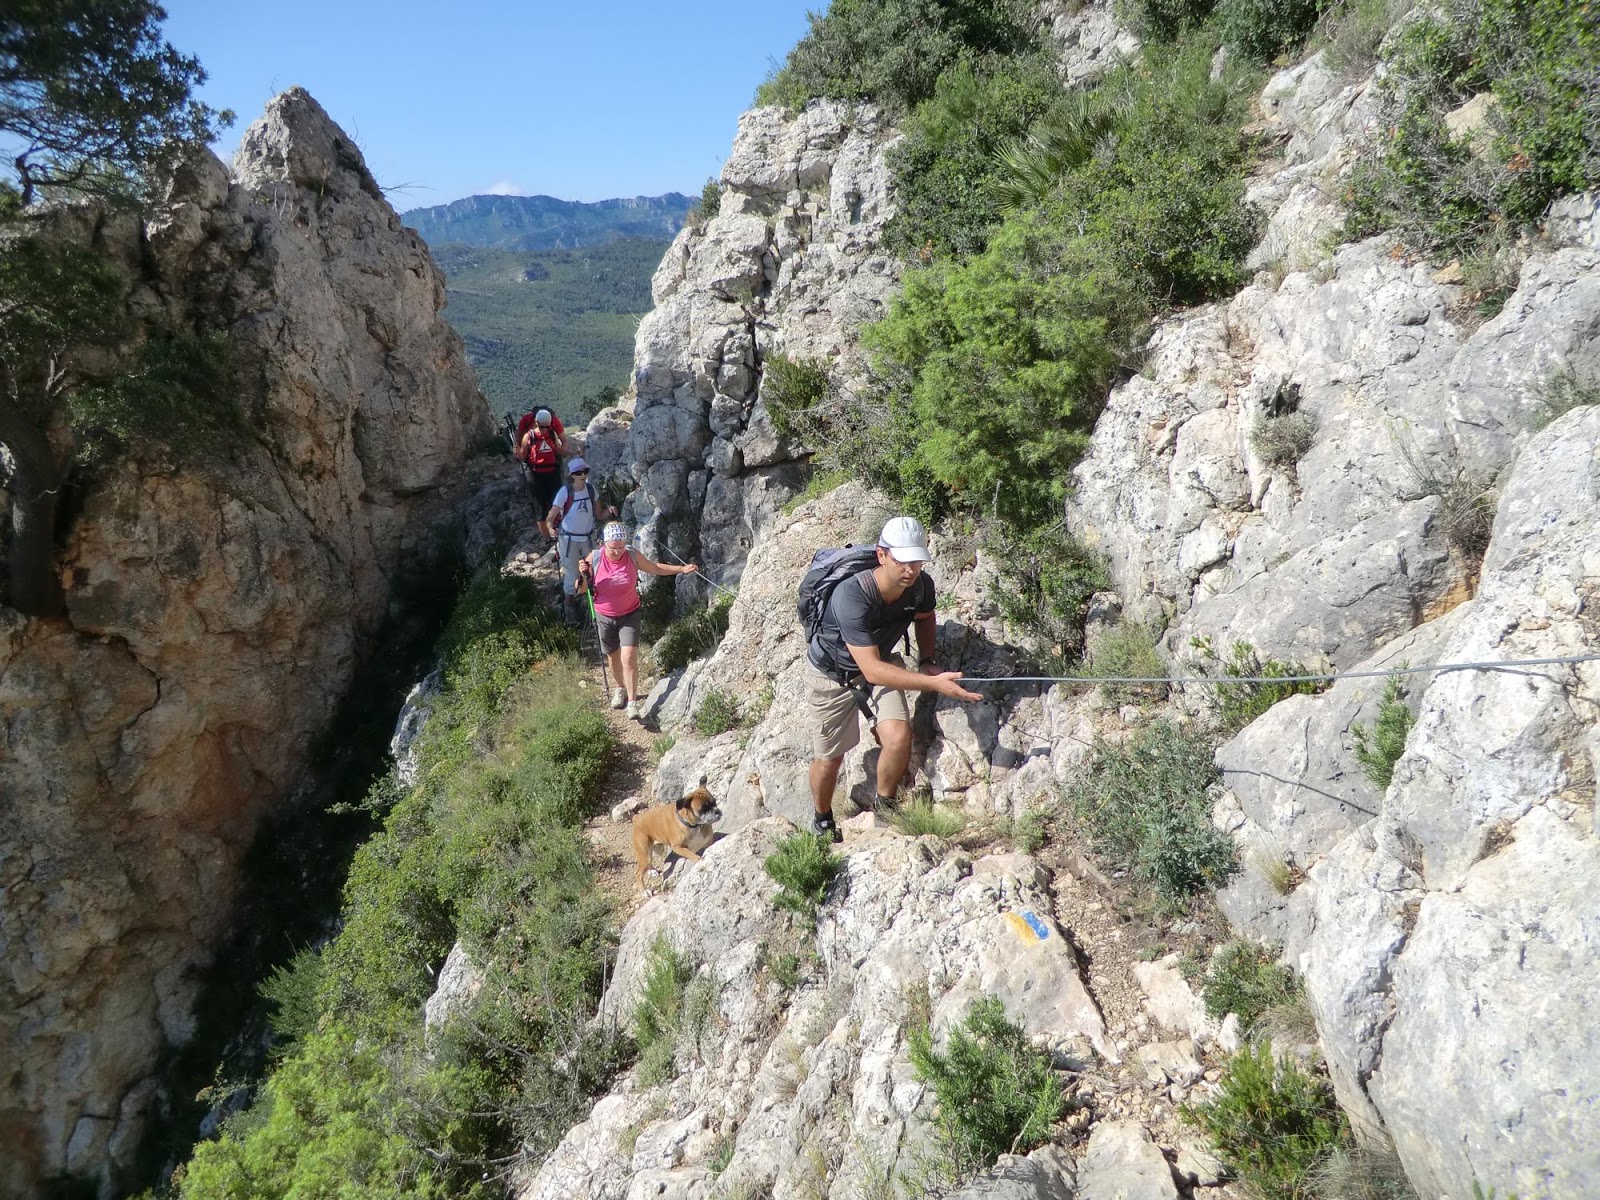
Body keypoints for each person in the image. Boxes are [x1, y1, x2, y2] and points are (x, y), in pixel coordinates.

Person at [805, 516, 981, 842]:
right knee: (830, 758)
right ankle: (823, 818)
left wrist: (927, 660)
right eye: (902, 561)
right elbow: (870, 670)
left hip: (881, 661)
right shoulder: (852, 596)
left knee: (899, 738)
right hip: (833, 675)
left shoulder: (920, 587)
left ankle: (885, 806)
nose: (910, 570)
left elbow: (925, 617)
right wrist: (934, 683)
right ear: (882, 555)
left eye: (916, 561)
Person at [577, 522, 699, 719]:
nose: (617, 552)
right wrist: (583, 574)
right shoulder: (595, 558)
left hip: (630, 614)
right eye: (612, 548)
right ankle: (620, 688)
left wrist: (681, 569)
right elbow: (582, 589)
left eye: (620, 547)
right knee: (613, 656)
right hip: (604, 615)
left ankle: (632, 702)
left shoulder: (632, 555)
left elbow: (655, 568)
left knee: (629, 658)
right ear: (604, 544)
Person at [548, 457, 614, 626]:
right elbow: (551, 517)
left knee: (595, 571)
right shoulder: (565, 492)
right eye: (578, 472)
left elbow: (599, 515)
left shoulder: (591, 491)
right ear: (572, 475)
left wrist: (610, 511)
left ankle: (598, 609)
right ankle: (570, 608)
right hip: (569, 539)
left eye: (585, 471)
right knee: (571, 574)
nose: (582, 475)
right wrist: (550, 529)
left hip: (588, 537)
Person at [515, 408, 566, 539]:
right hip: (536, 474)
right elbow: (523, 456)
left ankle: (559, 532)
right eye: (542, 427)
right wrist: (518, 452)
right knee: (540, 508)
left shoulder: (552, 434)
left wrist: (574, 453)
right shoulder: (529, 436)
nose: (544, 430)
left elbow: (558, 449)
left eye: (546, 427)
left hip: (551, 472)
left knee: (557, 504)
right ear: (536, 422)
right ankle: (547, 539)